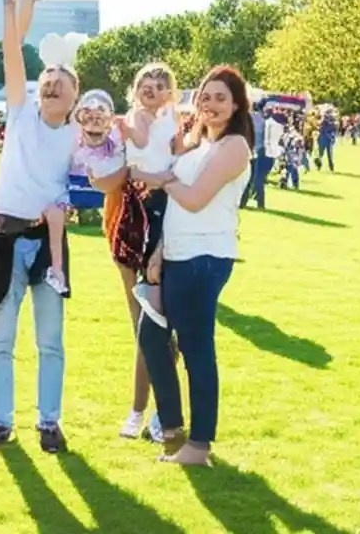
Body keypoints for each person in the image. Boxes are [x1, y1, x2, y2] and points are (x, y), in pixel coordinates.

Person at [0, 0, 77, 456]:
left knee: (50, 341)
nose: (52, 82)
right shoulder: (19, 114)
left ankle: (49, 422)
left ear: (75, 97)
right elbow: (14, 51)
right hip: (6, 237)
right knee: (1, 338)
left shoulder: (80, 134)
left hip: (48, 244)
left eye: (63, 81)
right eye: (48, 78)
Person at [131, 65, 252, 466]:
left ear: (236, 105)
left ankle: (199, 445)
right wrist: (159, 250)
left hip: (205, 258)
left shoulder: (234, 146)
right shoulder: (198, 145)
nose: (211, 104)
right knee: (151, 336)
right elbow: (177, 203)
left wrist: (162, 179)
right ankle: (170, 425)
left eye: (221, 98)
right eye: (206, 96)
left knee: (196, 349)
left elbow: (197, 198)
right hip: (177, 255)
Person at [117, 63, 185, 332]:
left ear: (169, 94)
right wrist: (126, 129)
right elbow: (142, 142)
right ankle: (150, 324)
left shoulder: (170, 118)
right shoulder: (140, 115)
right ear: (135, 91)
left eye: (159, 87)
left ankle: (155, 322)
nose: (151, 91)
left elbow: (176, 147)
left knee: (159, 256)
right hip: (143, 193)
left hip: (162, 190)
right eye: (145, 86)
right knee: (148, 255)